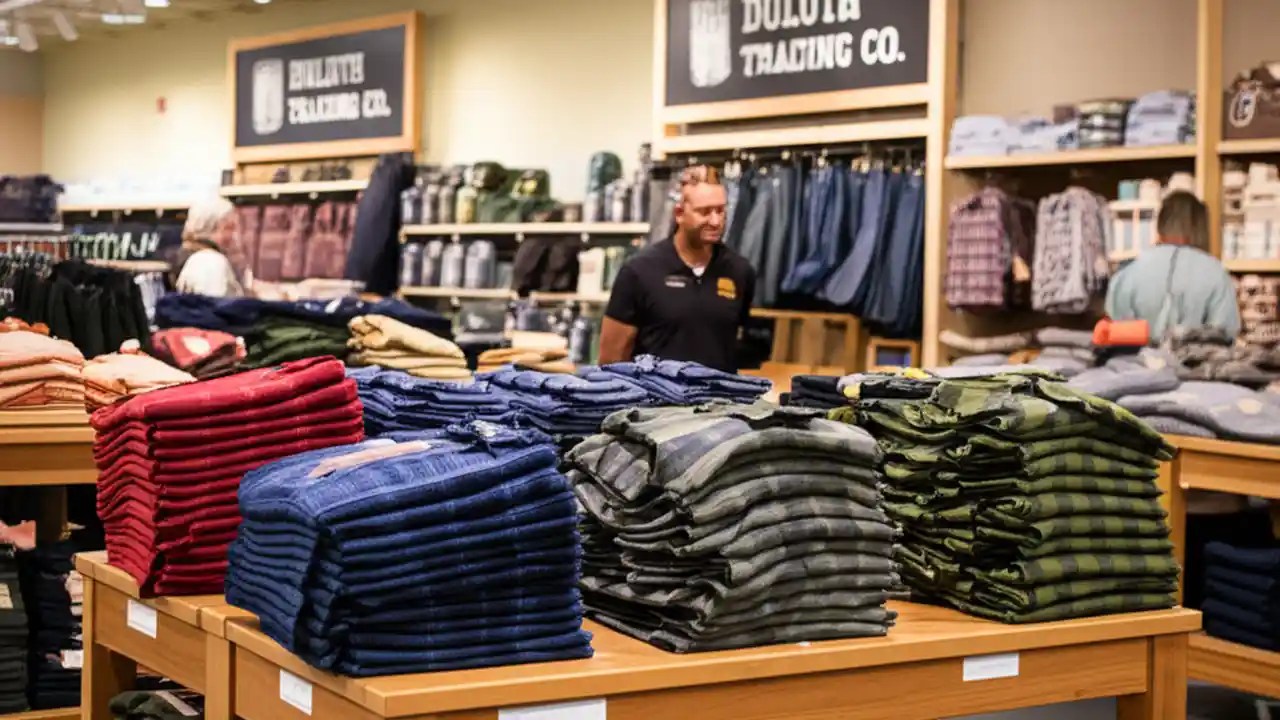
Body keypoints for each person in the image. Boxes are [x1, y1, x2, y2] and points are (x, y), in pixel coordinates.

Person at [598, 165, 754, 372]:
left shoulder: (739, 271)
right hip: (656, 401)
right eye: (704, 212)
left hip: (719, 401)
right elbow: (611, 360)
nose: (716, 221)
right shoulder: (639, 271)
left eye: (720, 210)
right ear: (680, 213)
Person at [1105, 190, 1240, 339]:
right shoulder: (1216, 274)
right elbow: (1225, 336)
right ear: (1201, 228)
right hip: (1194, 361)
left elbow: (1115, 335)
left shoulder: (1126, 275)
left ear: (1159, 225)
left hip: (1134, 361)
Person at [175, 197, 244, 297]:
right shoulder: (210, 262)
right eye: (229, 228)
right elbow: (215, 308)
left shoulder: (199, 259)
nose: (234, 235)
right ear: (210, 228)